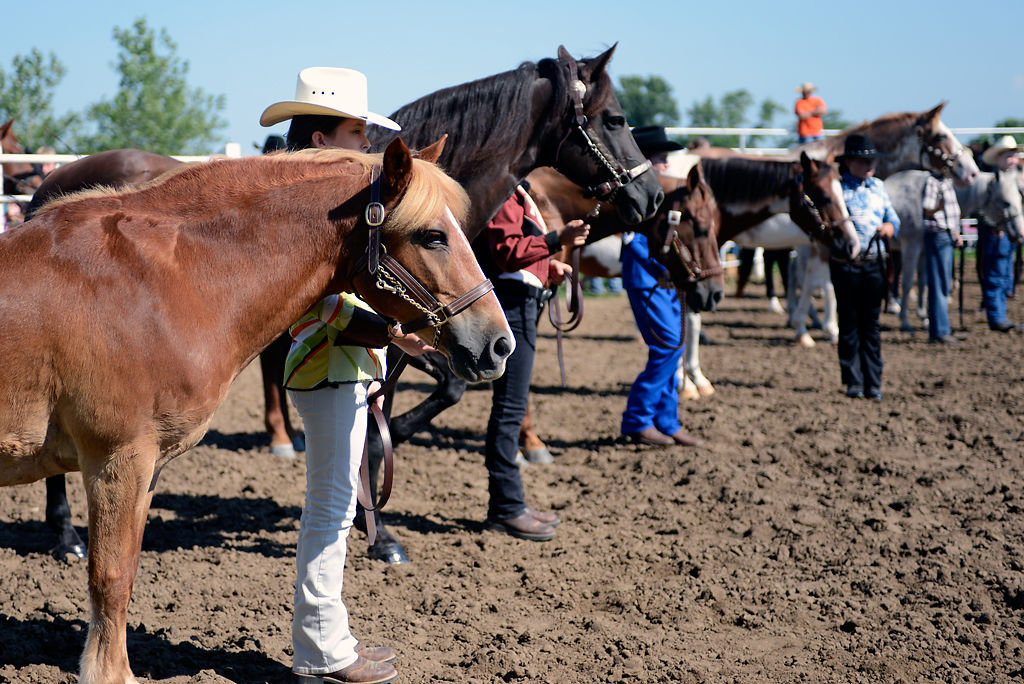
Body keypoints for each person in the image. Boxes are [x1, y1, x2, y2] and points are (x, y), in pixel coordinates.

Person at [260, 66, 429, 684]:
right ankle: (323, 652)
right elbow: (319, 307)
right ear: (321, 140)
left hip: (337, 369)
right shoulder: (297, 222)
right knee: (330, 509)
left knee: (331, 508)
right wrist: (388, 331)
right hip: (324, 368)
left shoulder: (313, 213)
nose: (363, 147)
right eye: (355, 133)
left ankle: (329, 641)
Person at [477, 183, 588, 541]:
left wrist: (546, 267)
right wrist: (559, 238)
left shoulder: (517, 192)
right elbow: (508, 252)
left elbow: (518, 253)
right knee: (510, 408)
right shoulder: (505, 193)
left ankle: (509, 504)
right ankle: (506, 508)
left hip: (522, 298)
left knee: (512, 407)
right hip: (513, 302)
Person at [620, 126, 702, 446]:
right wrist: (662, 269)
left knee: (674, 348)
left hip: (663, 281)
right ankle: (638, 419)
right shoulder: (634, 194)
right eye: (661, 159)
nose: (666, 165)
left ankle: (666, 420)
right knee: (667, 346)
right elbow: (633, 243)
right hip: (647, 281)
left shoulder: (661, 194)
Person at [832, 133, 899, 401]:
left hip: (874, 264)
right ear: (848, 162)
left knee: (870, 324)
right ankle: (853, 381)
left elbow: (892, 218)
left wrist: (889, 227)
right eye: (862, 161)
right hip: (846, 264)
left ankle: (873, 381)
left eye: (871, 161)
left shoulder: (878, 188)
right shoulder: (836, 189)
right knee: (848, 323)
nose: (869, 166)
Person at [977, 135, 1021, 332]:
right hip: (997, 232)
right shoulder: (993, 181)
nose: (1012, 160)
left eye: (1014, 156)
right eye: (1008, 156)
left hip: (1009, 232)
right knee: (996, 273)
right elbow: (984, 208)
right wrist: (993, 225)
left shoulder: (1013, 178)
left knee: (1004, 272)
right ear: (998, 158)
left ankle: (1000, 314)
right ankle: (997, 317)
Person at [921, 165, 963, 343]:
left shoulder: (945, 182)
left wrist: (955, 233)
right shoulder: (932, 182)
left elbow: (951, 214)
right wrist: (938, 207)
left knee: (944, 283)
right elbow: (927, 210)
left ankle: (943, 328)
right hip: (938, 235)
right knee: (939, 283)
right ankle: (939, 331)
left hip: (946, 235)